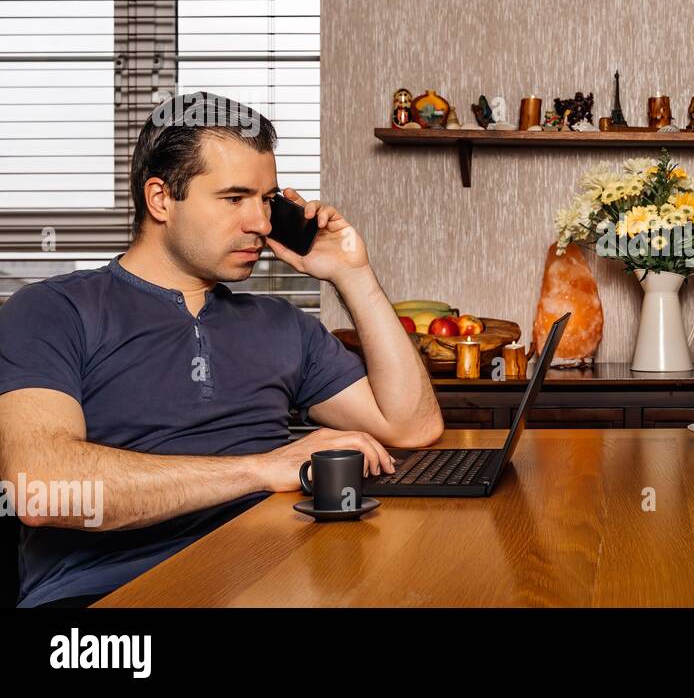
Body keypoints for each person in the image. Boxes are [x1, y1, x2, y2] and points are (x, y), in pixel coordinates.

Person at [0, 91, 443, 607]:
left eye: (266, 200)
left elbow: (412, 426)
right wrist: (260, 469)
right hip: (113, 597)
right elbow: (40, 489)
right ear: (161, 199)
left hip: (278, 576)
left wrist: (353, 275)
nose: (259, 222)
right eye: (234, 199)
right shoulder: (53, 311)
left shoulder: (280, 324)